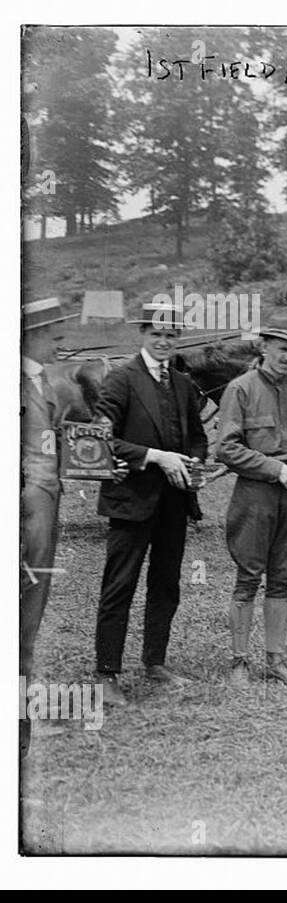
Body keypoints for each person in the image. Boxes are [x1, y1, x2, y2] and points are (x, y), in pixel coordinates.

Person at [92, 302, 209, 705]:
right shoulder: (121, 379)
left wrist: (194, 460)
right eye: (156, 333)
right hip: (131, 500)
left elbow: (197, 436)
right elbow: (100, 439)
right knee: (119, 586)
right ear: (143, 333)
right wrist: (156, 456)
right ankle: (107, 674)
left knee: (166, 584)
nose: (163, 341)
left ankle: (155, 662)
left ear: (179, 339)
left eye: (171, 335)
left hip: (174, 502)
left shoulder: (181, 383)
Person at [215, 325, 287, 689]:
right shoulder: (240, 389)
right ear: (263, 347)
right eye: (281, 349)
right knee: (247, 578)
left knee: (282, 578)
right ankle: (239, 661)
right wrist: (276, 469)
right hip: (256, 494)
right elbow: (226, 448)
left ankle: (276, 659)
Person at [20, 299, 76, 754]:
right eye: (55, 331)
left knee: (32, 609)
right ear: (33, 334)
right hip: (26, 508)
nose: (61, 339)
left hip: (47, 504)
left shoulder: (44, 383)